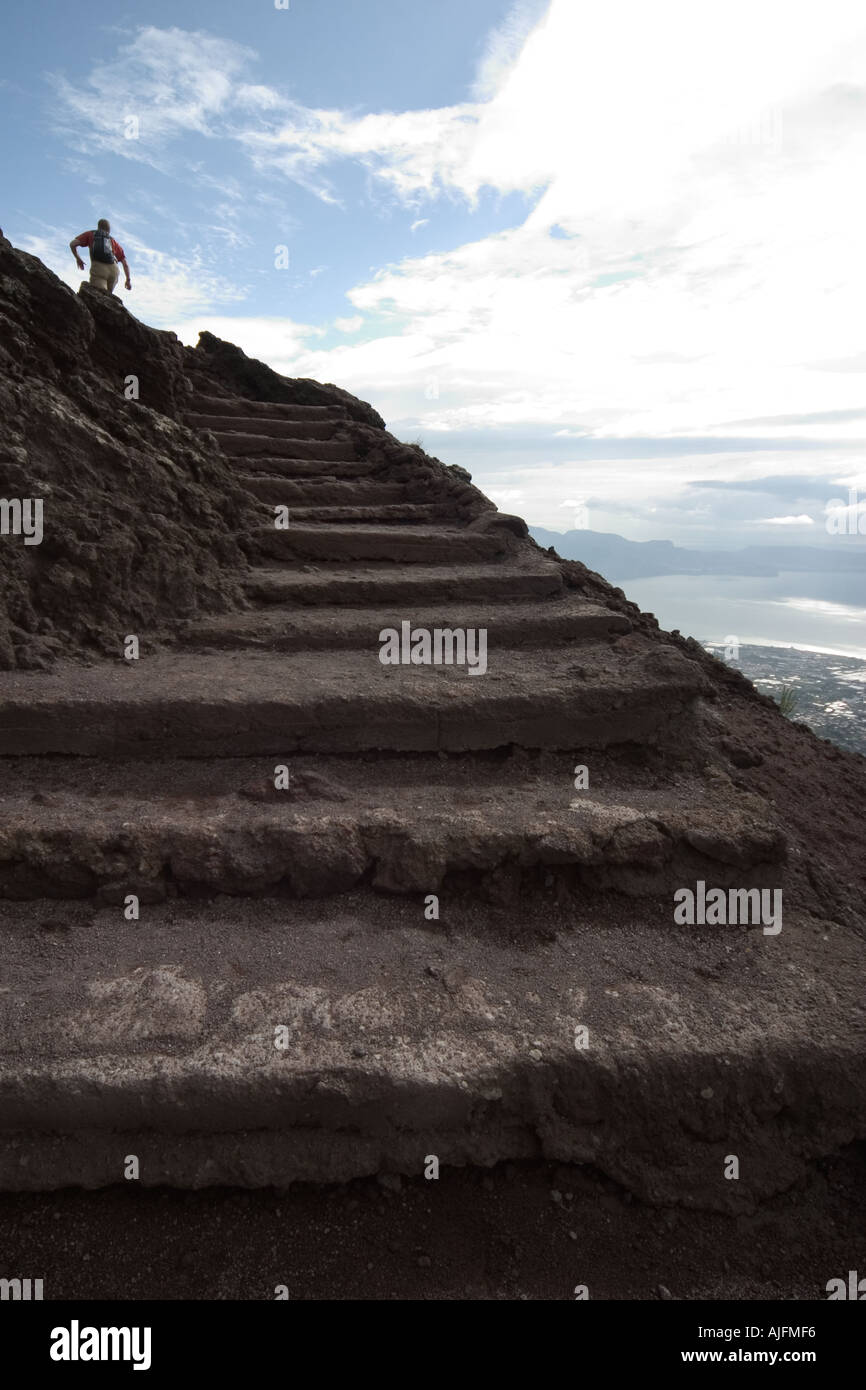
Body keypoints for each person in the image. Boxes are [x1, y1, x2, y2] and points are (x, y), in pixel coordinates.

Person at [69, 218, 131, 295]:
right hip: (114, 271)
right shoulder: (113, 241)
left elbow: (72, 244)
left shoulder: (90, 234)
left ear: (98, 227)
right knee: (108, 296)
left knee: (98, 295)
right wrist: (128, 280)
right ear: (109, 230)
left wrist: (78, 259)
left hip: (99, 269)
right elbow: (125, 264)